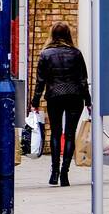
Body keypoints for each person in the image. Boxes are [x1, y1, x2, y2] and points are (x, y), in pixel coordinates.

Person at [31, 22, 92, 187]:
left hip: (54, 96)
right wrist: (88, 101)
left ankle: (54, 172)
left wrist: (35, 102)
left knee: (56, 133)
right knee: (70, 134)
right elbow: (83, 80)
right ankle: (65, 173)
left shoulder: (45, 54)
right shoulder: (76, 53)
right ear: (68, 35)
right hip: (75, 96)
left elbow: (40, 81)